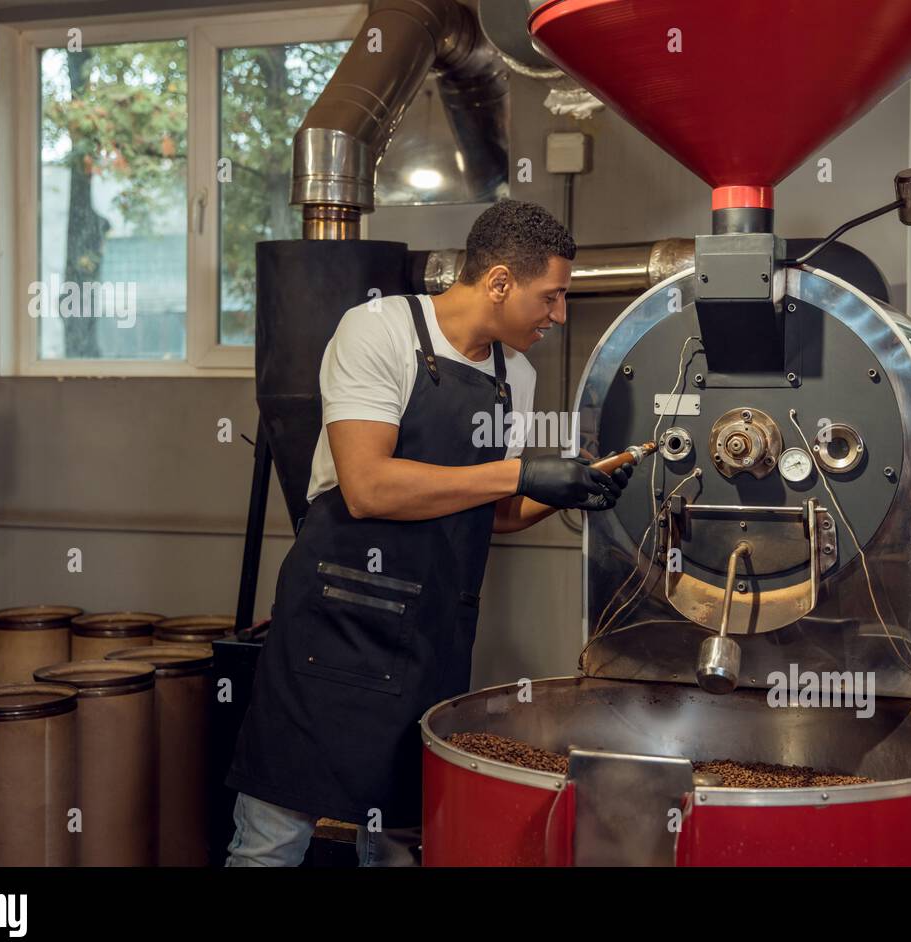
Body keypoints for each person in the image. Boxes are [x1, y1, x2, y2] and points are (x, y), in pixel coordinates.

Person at [225, 200, 633, 866]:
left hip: (432, 637)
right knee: (271, 837)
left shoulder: (514, 376)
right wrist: (518, 471)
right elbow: (368, 486)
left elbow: (493, 510)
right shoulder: (379, 329)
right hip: (336, 632)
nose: (558, 315)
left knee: (401, 843)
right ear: (499, 282)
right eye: (550, 296)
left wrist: (566, 496)